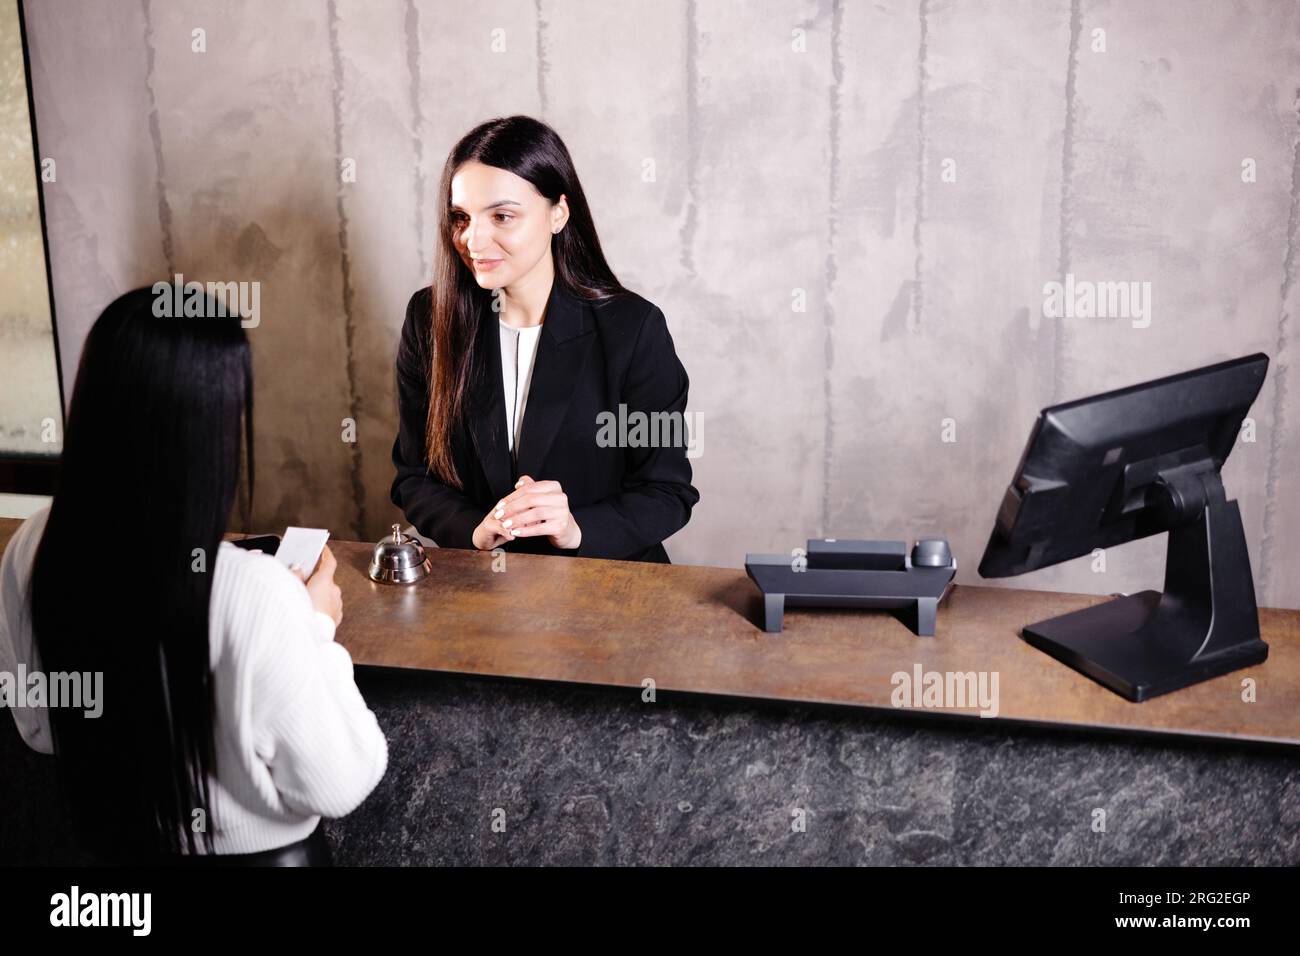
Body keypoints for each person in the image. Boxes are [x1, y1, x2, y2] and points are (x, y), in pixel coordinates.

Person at [0, 287, 387, 864]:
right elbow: (338, 782)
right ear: (211, 430)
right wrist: (313, 626)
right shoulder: (253, 594)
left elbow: (37, 727)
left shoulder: (32, 544)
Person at [392, 115, 699, 563]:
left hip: (607, 592)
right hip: (484, 592)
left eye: (502, 215)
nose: (473, 240)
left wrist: (576, 528)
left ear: (559, 212)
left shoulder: (632, 329)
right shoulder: (428, 318)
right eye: (461, 217)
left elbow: (668, 491)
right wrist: (473, 530)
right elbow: (413, 477)